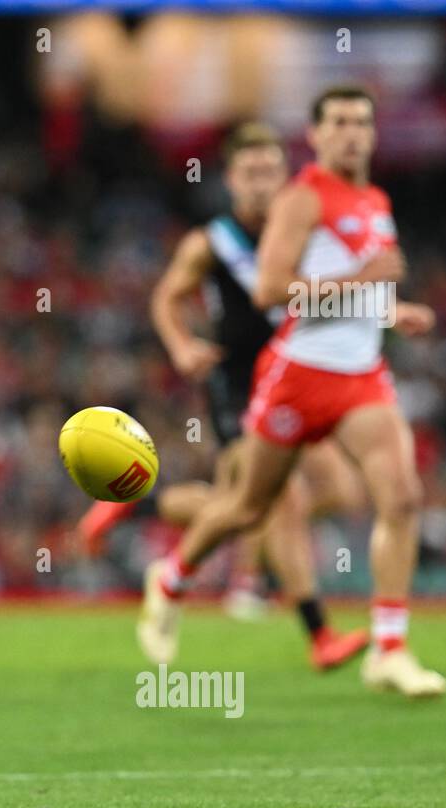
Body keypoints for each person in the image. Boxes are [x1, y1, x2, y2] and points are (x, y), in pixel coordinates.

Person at [138, 85, 446, 698]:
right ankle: (171, 579)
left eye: (363, 121)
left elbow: (358, 289)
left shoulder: (374, 199)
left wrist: (392, 310)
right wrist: (363, 279)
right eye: (339, 122)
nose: (353, 133)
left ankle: (389, 647)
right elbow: (271, 291)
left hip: (361, 375)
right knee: (250, 507)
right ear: (318, 134)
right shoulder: (304, 198)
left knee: (401, 498)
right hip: (297, 376)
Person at [131, 122, 367, 669]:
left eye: (270, 171)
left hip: (298, 378)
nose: (261, 183)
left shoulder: (302, 235)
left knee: (330, 491)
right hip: (237, 389)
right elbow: (167, 299)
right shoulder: (212, 242)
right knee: (276, 501)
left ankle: (145, 513)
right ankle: (314, 630)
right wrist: (182, 345)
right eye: (250, 172)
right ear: (231, 178)